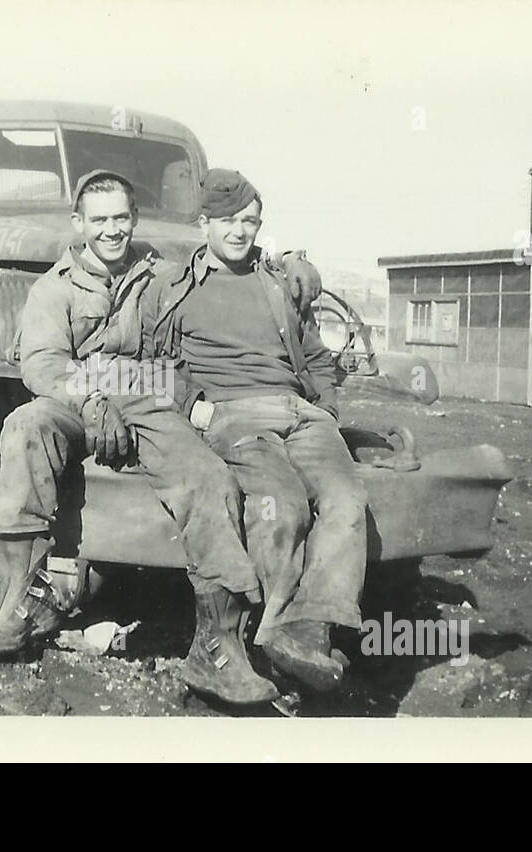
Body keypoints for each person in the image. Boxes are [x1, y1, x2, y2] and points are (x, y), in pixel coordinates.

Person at [0, 169, 279, 705]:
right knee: (24, 427)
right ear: (79, 223)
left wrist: (286, 268)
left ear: (133, 220)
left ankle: (218, 648)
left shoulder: (160, 276)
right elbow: (44, 363)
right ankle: (18, 603)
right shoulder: (55, 287)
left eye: (120, 218)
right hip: (74, 400)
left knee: (209, 480)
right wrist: (91, 402)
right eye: (99, 220)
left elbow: (216, 286)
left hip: (150, 399)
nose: (111, 230)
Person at [144, 168, 369, 694]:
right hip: (236, 414)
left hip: (302, 413)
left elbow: (315, 356)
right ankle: (272, 634)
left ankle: (307, 631)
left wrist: (328, 406)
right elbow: (153, 361)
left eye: (250, 221)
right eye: (228, 221)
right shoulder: (173, 289)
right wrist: (194, 405)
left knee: (347, 499)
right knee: (280, 504)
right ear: (204, 224)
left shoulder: (277, 284)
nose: (240, 231)